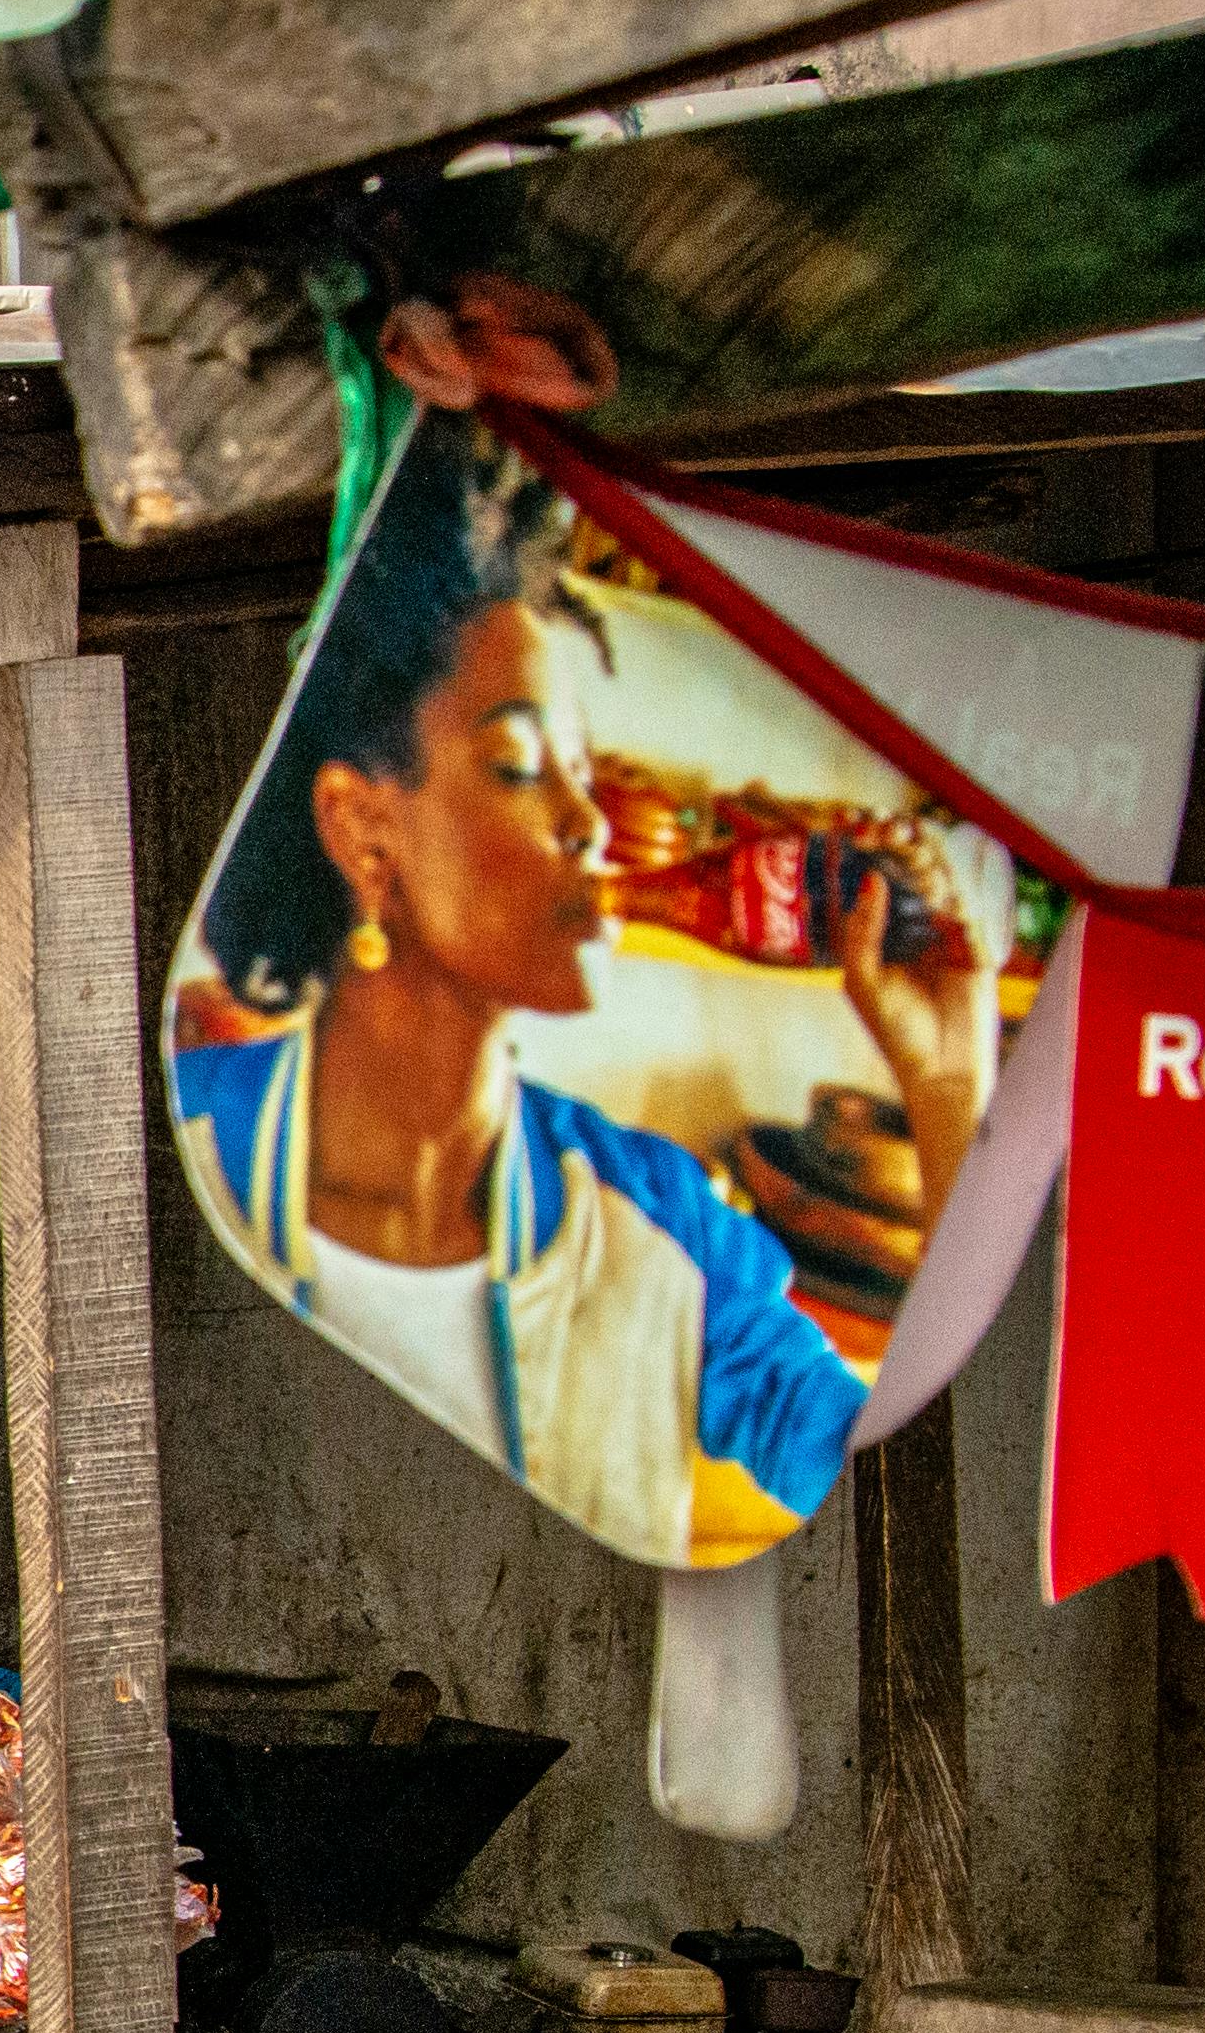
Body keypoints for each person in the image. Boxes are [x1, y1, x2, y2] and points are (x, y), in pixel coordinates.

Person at [170, 433, 988, 1566]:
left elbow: (866, 1455)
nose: (586, 822)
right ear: (364, 829)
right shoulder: (195, 1135)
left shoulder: (659, 1214)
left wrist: (943, 1082)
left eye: (578, 770)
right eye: (517, 765)